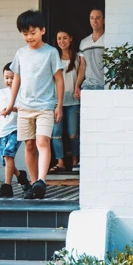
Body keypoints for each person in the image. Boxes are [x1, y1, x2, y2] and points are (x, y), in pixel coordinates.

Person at [2, 10, 64, 200]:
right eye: (25, 33)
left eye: (32, 32)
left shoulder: (51, 52)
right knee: (29, 145)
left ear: (42, 30)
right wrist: (11, 104)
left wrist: (59, 106)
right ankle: (34, 182)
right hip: (24, 108)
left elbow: (59, 80)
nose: (29, 37)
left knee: (42, 142)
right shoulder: (20, 54)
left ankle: (42, 182)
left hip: (45, 106)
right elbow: (17, 80)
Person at [0, 63, 31, 198]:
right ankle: (21, 176)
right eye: (6, 78)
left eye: (12, 78)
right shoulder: (1, 93)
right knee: (6, 161)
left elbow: (25, 109)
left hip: (16, 129)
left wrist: (11, 109)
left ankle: (7, 187)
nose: (9, 81)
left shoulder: (22, 92)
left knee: (8, 155)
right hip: (2, 131)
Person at [74, 9, 105, 173]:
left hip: (103, 87)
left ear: (104, 20)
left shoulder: (109, 39)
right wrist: (77, 86)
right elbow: (82, 66)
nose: (95, 21)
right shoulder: (84, 42)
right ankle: (83, 160)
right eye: (92, 18)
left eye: (98, 18)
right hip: (88, 87)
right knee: (85, 125)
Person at [50, 29, 84, 173]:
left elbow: (81, 72)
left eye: (65, 38)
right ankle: (60, 161)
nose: (62, 41)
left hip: (73, 101)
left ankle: (75, 161)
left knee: (73, 133)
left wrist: (77, 86)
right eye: (59, 39)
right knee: (56, 133)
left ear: (70, 39)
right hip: (57, 101)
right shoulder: (53, 57)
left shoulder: (78, 57)